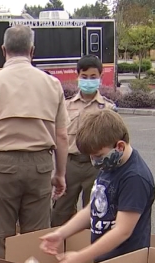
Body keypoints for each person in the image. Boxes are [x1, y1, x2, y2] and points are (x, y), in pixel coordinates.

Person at [0, 25, 69, 261]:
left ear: (4, 50)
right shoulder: (52, 84)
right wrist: (60, 174)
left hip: (1, 165)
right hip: (40, 164)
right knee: (36, 236)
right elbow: (62, 135)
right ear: (32, 50)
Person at [40, 109, 154, 263]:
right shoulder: (110, 165)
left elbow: (122, 231)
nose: (94, 161)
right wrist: (61, 233)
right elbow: (92, 209)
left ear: (119, 146)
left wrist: (81, 257)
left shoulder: (135, 178)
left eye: (98, 155)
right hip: (105, 258)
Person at [52, 54, 116, 227]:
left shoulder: (108, 108)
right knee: (60, 211)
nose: (88, 81)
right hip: (70, 164)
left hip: (95, 166)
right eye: (84, 76)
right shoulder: (66, 105)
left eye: (93, 77)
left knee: (95, 210)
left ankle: (90, 243)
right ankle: (61, 240)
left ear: (100, 77)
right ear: (78, 76)